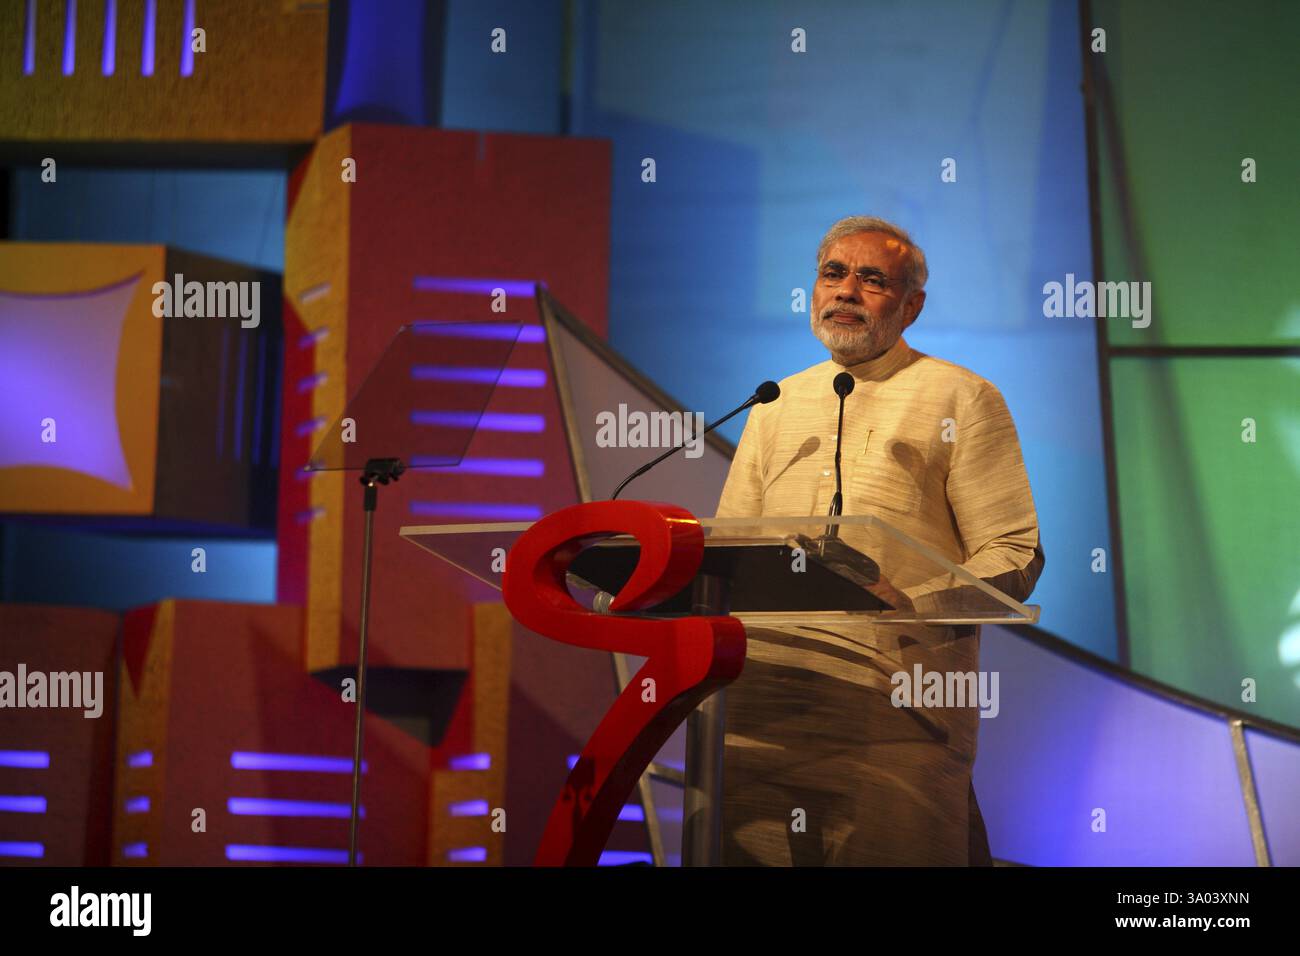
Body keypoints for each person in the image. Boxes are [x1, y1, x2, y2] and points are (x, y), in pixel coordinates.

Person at [714, 215, 1043, 865]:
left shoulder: (962, 396)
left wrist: (912, 601)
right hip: (764, 713)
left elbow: (1015, 553)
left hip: (894, 715)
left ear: (912, 304)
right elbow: (729, 552)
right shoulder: (774, 402)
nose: (845, 291)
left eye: (872, 280)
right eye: (833, 273)